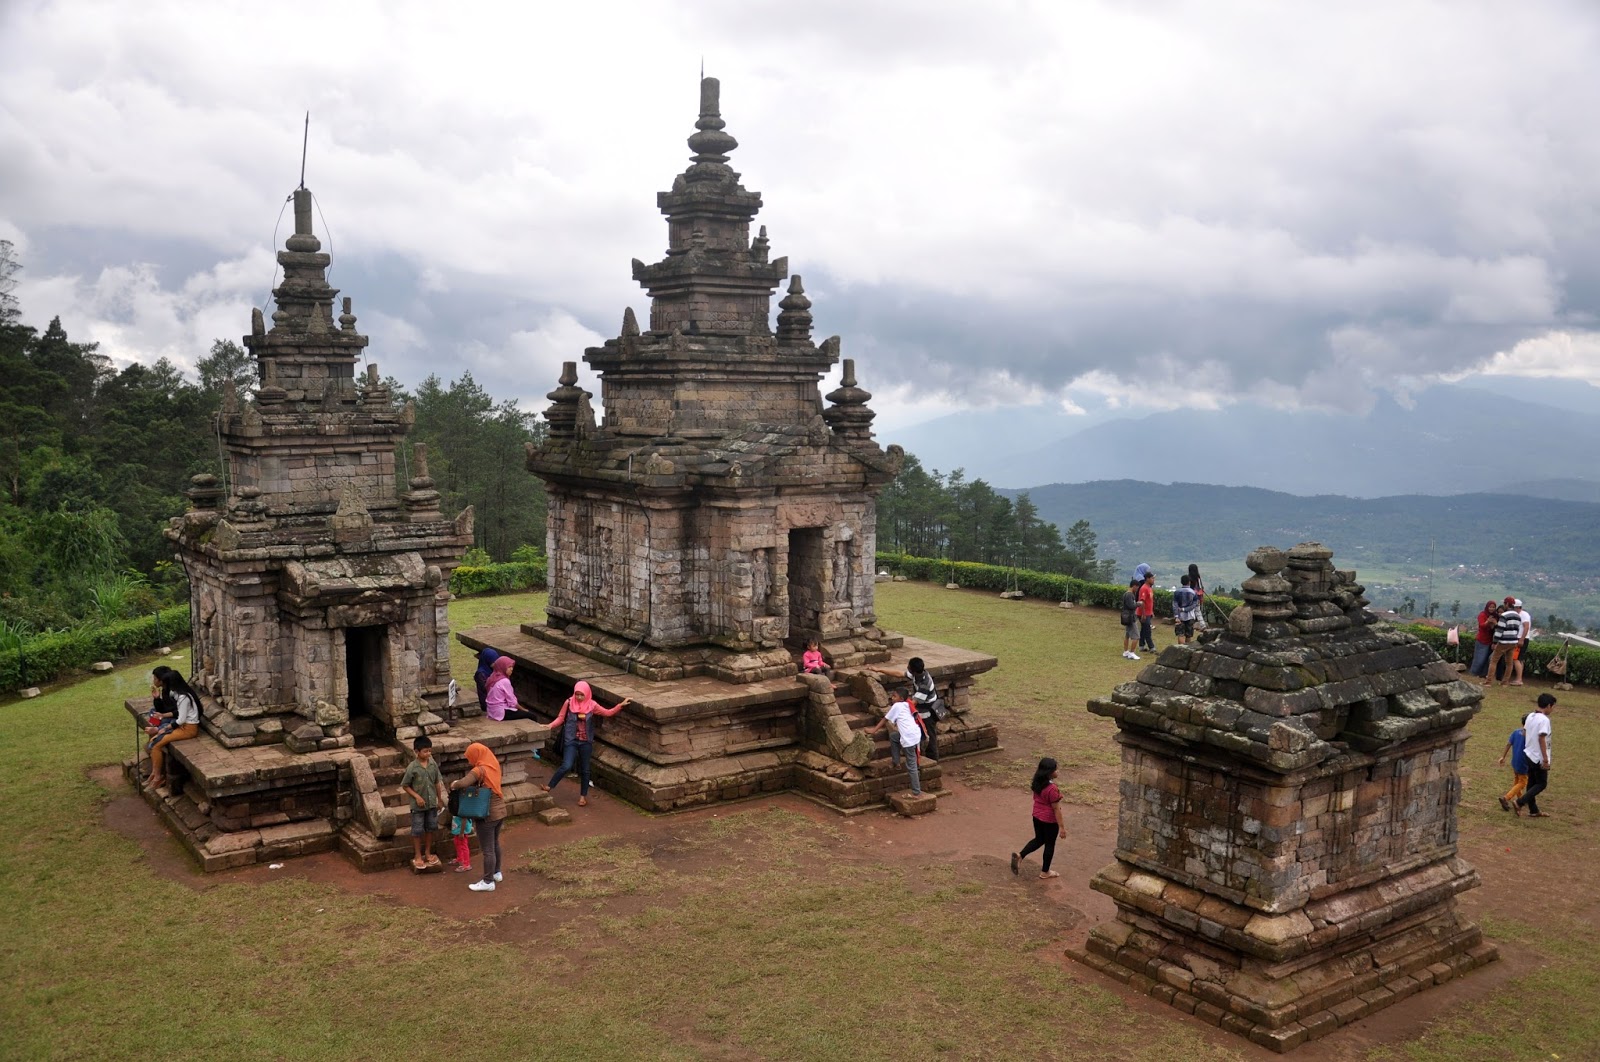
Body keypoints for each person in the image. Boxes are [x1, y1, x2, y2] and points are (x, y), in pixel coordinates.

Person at [542, 681, 632, 807]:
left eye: (581, 695)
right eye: (577, 694)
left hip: (586, 741)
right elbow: (561, 718)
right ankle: (549, 786)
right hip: (571, 739)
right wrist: (549, 726)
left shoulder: (592, 705)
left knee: (585, 769)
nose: (578, 697)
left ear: (587, 694)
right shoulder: (569, 702)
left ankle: (583, 796)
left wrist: (620, 705)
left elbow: (607, 713)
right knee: (567, 765)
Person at [451, 743, 506, 891]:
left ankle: (488, 882)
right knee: (495, 843)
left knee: (487, 849)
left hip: (486, 814)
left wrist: (454, 784)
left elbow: (463, 783)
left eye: (470, 757)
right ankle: (496, 872)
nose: (469, 761)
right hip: (500, 810)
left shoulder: (480, 769)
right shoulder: (493, 764)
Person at [144, 667, 201, 791]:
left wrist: (164, 729)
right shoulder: (174, 693)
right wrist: (157, 699)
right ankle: (155, 774)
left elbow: (179, 718)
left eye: (155, 678)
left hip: (184, 726)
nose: (154, 681)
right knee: (153, 721)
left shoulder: (182, 697)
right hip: (178, 723)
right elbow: (163, 710)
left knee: (155, 742)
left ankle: (157, 776)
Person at [1010, 758, 1064, 880]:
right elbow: (1056, 809)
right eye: (1055, 769)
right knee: (1049, 844)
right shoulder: (1052, 789)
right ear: (1050, 772)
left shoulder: (1037, 782)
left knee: (1039, 839)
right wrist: (1061, 827)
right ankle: (1045, 872)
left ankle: (1020, 855)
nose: (1057, 771)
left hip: (1037, 816)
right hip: (1049, 820)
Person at [400, 735, 448, 871]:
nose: (428, 753)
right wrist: (417, 797)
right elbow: (405, 785)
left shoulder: (432, 765)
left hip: (432, 803)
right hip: (418, 806)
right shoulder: (412, 768)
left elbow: (437, 783)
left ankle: (427, 852)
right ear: (417, 751)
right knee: (417, 830)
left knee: (430, 828)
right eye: (425, 751)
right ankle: (418, 854)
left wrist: (439, 799)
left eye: (429, 751)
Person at [866, 694, 926, 796]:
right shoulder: (907, 704)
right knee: (894, 736)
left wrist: (873, 730)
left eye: (894, 696)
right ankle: (896, 762)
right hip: (916, 734)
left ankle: (916, 791)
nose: (892, 698)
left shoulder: (897, 706)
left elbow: (885, 719)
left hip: (909, 738)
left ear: (901, 698)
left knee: (911, 765)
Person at [1514, 694, 1555, 818]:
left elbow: (1526, 732)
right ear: (1548, 705)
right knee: (1541, 783)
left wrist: (1530, 746)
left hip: (1529, 754)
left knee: (1532, 782)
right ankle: (1519, 802)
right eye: (1552, 707)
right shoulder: (1544, 720)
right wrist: (1545, 759)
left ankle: (1533, 810)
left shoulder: (1530, 716)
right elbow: (1542, 737)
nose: (1552, 710)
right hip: (1538, 757)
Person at [483, 655, 536, 721]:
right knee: (532, 716)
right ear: (503, 667)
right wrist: (524, 710)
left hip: (491, 711)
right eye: (509, 667)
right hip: (500, 712)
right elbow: (512, 702)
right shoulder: (504, 681)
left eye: (512, 667)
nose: (511, 669)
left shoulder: (492, 677)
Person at [1496, 714, 1531, 814]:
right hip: (1523, 763)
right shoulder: (1529, 736)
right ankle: (1506, 798)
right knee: (1523, 782)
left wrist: (1503, 756)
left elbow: (1508, 744)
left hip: (1515, 761)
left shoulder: (1516, 732)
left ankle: (1521, 799)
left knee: (1517, 780)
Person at [1485, 596, 1522, 687]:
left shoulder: (1504, 616)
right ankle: (1505, 682)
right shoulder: (1518, 616)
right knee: (1509, 663)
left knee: (1493, 661)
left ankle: (1488, 681)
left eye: (1504, 603)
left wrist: (1494, 642)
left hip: (1503, 641)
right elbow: (1517, 630)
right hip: (1513, 641)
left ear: (1507, 604)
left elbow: (1500, 630)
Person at [1470, 600, 1499, 679]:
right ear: (1487, 607)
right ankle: (1474, 673)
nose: (1492, 609)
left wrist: (1494, 623)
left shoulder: (1495, 616)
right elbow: (1482, 625)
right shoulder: (1482, 615)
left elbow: (1496, 628)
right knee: (1479, 658)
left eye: (1493, 607)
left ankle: (1483, 674)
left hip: (1491, 640)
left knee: (1486, 659)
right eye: (1490, 607)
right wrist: (1487, 622)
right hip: (1482, 640)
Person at [1171, 575, 1200, 645]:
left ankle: (1180, 650)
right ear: (1189, 582)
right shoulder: (1193, 593)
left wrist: (1176, 615)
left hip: (1180, 617)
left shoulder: (1177, 592)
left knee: (1180, 634)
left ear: (1181, 582)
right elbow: (1194, 605)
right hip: (1190, 616)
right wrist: (1185, 609)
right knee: (1188, 635)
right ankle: (1187, 650)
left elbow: (1175, 605)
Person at [448, 803, 475, 874]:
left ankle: (466, 864)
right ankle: (460, 858)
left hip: (462, 829)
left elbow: (464, 818)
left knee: (463, 845)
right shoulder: (457, 803)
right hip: (457, 828)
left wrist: (462, 832)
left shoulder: (463, 804)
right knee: (457, 843)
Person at [1511, 598, 1533, 686]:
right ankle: (1519, 678)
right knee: (1520, 659)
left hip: (1521, 638)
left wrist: (1521, 639)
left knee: (1515, 658)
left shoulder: (1523, 615)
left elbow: (1526, 627)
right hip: (1521, 638)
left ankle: (1519, 679)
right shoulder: (1522, 614)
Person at [1136, 570, 1157, 655]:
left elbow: (1150, 601)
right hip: (1143, 613)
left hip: (1148, 613)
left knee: (1144, 630)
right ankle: (1151, 647)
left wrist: (1151, 612)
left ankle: (1141, 645)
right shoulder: (1144, 588)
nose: (1153, 580)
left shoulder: (1149, 588)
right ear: (1147, 579)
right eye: (1152, 578)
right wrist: (1143, 614)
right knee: (1147, 630)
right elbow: (1142, 602)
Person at [1121, 578, 1142, 660]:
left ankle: (1126, 651)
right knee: (1136, 636)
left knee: (1127, 635)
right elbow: (1131, 606)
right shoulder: (1130, 595)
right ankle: (1131, 652)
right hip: (1130, 617)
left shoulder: (1126, 594)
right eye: (1137, 587)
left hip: (1127, 617)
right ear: (1134, 586)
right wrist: (1138, 604)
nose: (1137, 589)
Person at [1187, 563, 1207, 628]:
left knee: (1190, 610)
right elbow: (1201, 587)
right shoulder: (1198, 577)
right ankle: (1202, 624)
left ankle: (1190, 624)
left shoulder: (1188, 578)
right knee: (1198, 611)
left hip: (1191, 596)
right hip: (1198, 596)